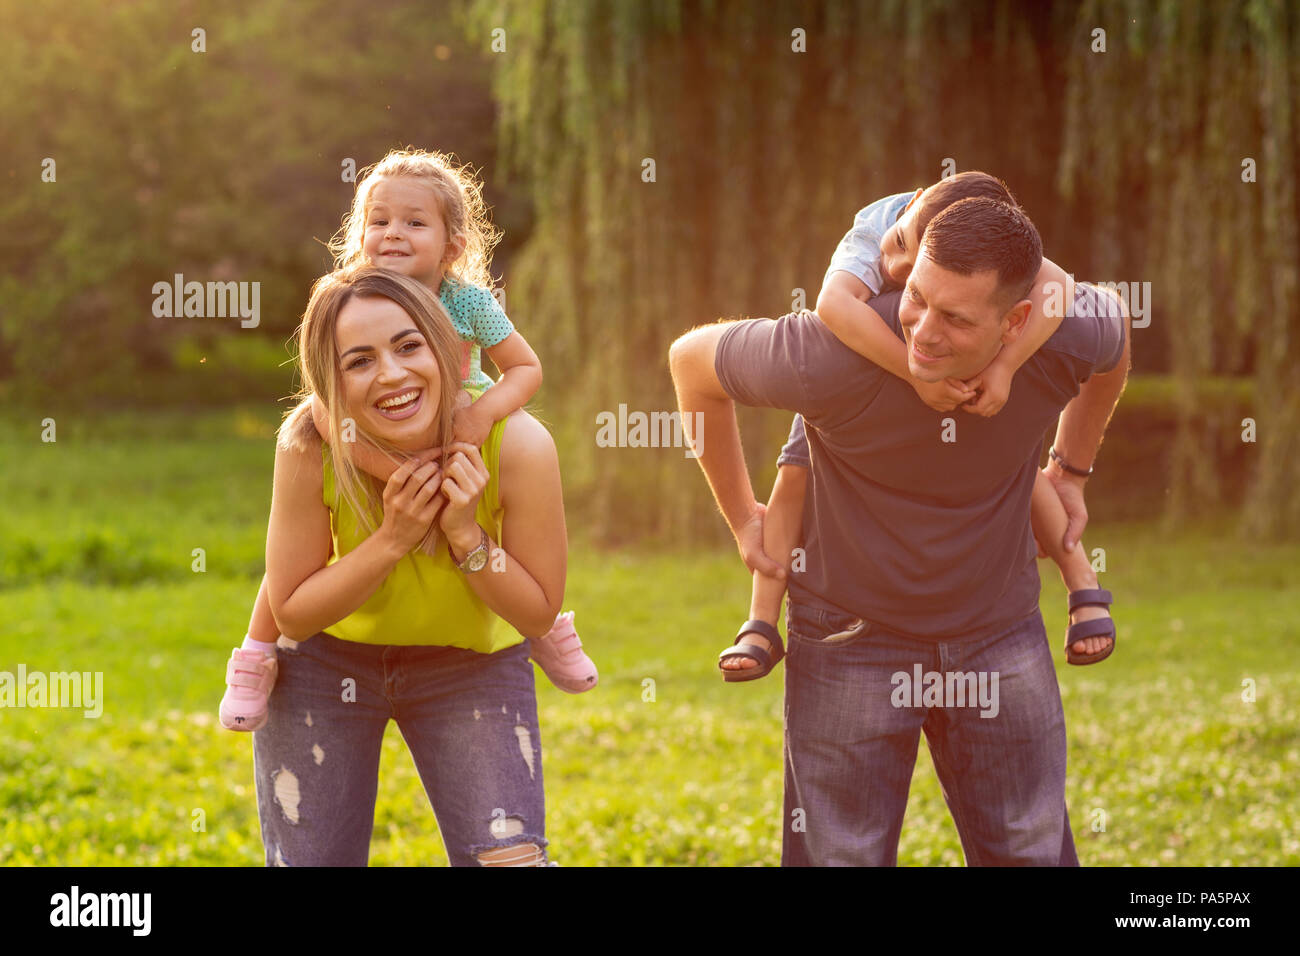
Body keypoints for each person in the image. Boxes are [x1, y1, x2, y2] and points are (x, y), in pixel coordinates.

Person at [670, 197, 1130, 865]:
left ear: (1018, 322)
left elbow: (1113, 340)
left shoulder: (1060, 338)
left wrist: (1071, 469)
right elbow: (690, 363)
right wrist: (744, 515)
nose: (922, 331)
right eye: (917, 296)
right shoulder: (831, 352)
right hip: (850, 639)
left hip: (999, 633)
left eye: (956, 318)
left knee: (1029, 852)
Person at [220, 149, 595, 734]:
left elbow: (525, 369)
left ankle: (542, 629)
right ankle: (255, 651)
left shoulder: (468, 300)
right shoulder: (343, 297)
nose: (393, 233)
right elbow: (321, 405)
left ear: (452, 244)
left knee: (488, 526)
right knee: (304, 545)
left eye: (414, 222)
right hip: (376, 441)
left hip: (460, 428)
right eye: (379, 220)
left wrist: (479, 419)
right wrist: (389, 471)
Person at [719, 172, 1112, 682]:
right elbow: (834, 306)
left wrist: (1005, 367)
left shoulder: (985, 242)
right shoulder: (873, 227)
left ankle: (1082, 580)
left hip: (938, 349)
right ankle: (761, 620)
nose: (896, 267)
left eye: (912, 259)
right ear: (915, 201)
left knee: (1016, 464)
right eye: (903, 244)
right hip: (869, 360)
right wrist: (914, 374)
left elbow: (1058, 285)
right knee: (795, 472)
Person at [254, 266, 566, 865]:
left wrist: (463, 533)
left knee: (509, 861)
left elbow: (537, 612)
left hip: (469, 665)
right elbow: (291, 614)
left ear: (444, 347)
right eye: (359, 361)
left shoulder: (519, 445)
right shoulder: (308, 447)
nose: (392, 374)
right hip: (327, 662)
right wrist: (392, 539)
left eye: (407, 345)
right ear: (331, 383)